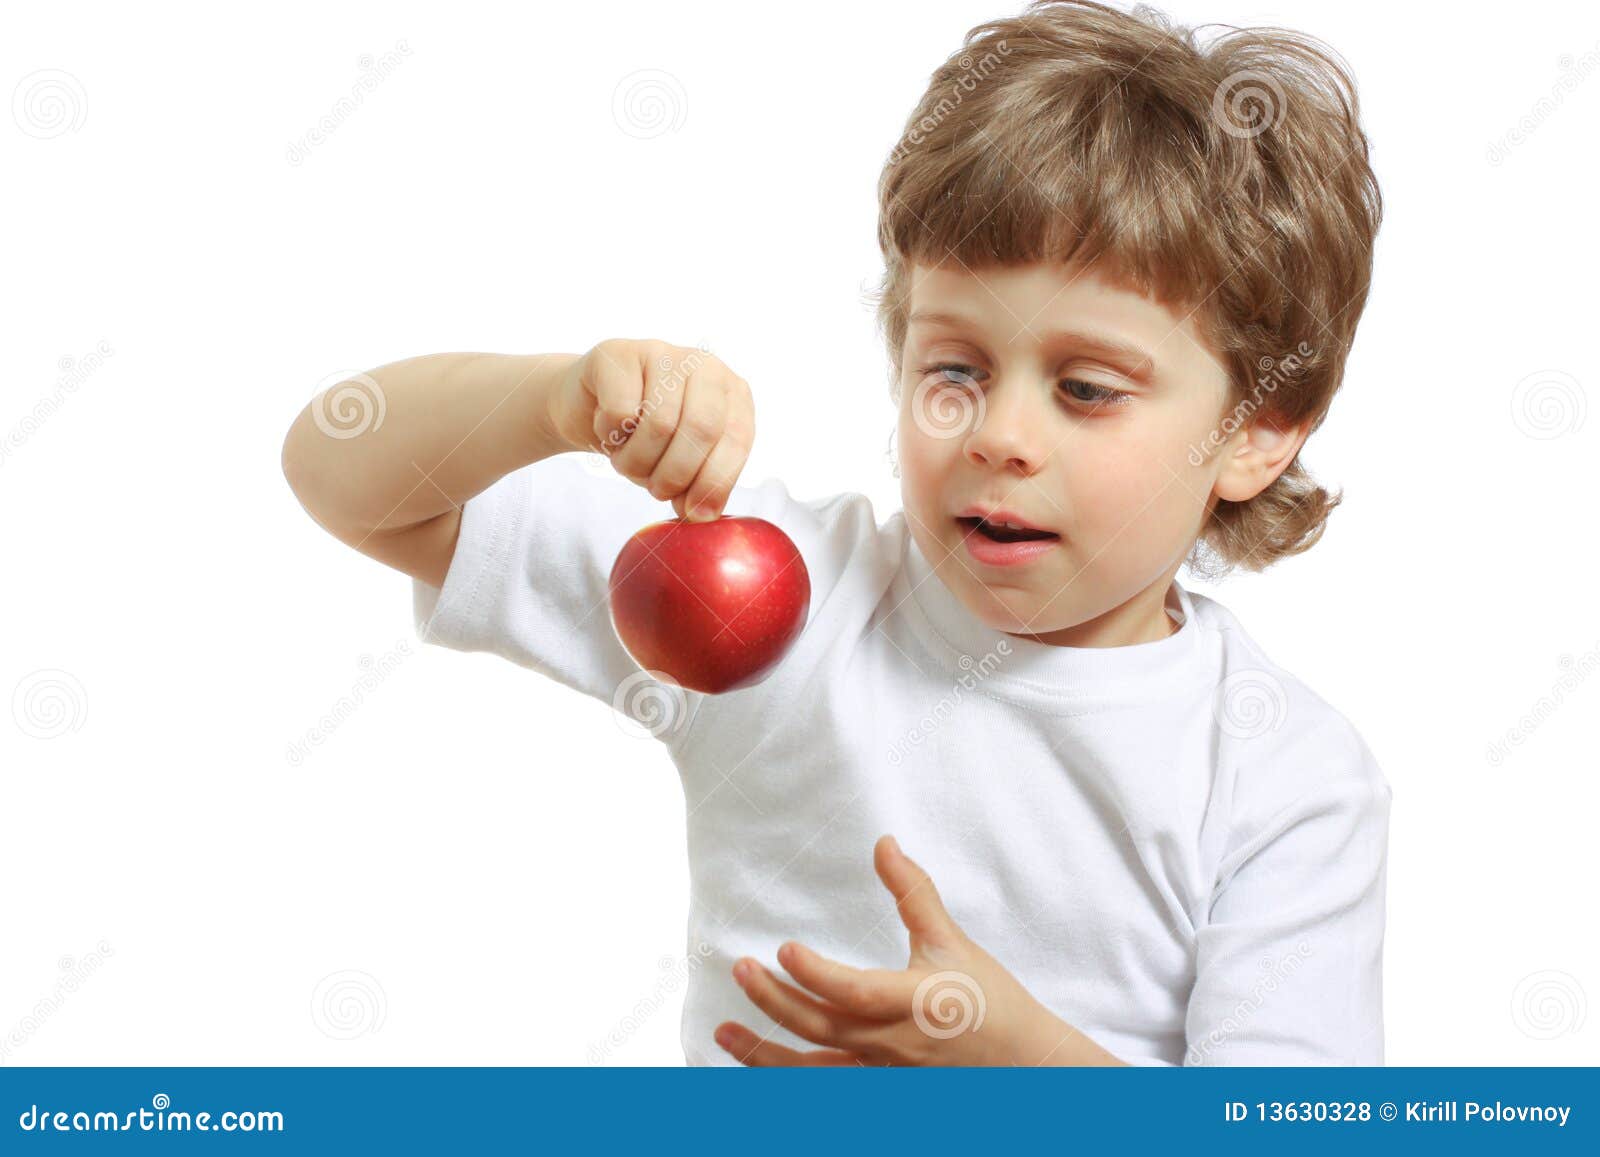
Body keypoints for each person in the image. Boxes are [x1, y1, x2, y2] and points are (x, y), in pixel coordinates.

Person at [282, 0, 1390, 1066]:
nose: (999, 434)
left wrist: (1018, 1065)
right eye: (955, 369)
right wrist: (553, 401)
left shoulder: (1282, 775)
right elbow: (342, 474)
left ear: (1258, 431)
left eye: (1087, 388)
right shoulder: (782, 598)